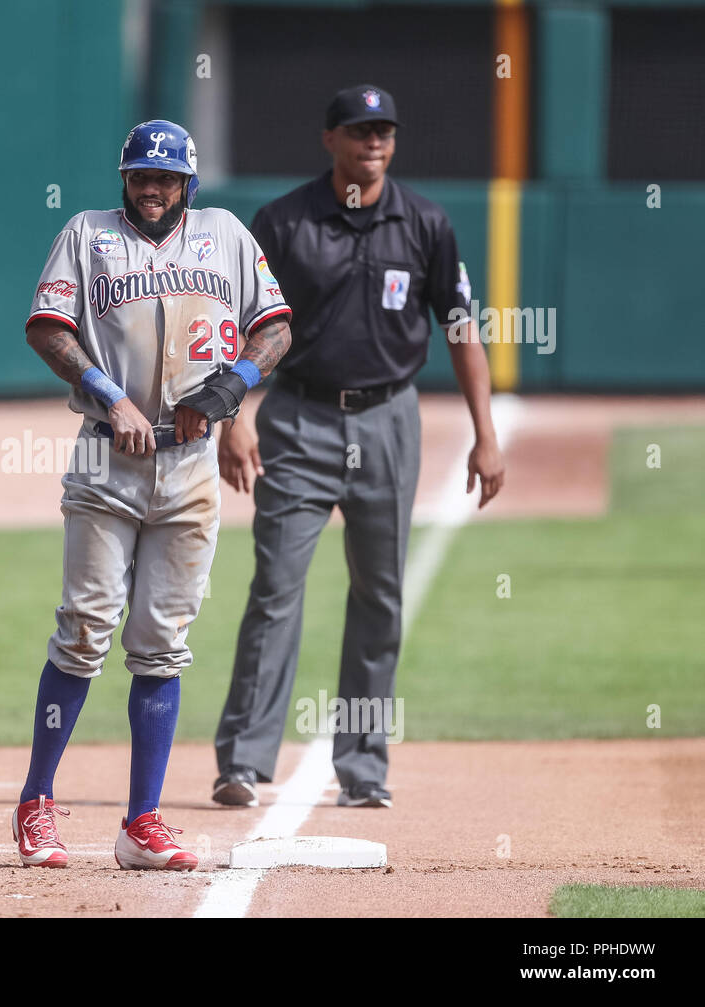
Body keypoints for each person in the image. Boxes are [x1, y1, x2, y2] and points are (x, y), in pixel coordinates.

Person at [211, 85, 505, 810]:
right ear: (330, 138)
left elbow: (461, 327)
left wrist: (485, 434)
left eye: (385, 131)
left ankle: (364, 764)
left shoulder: (426, 223)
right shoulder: (281, 221)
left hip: (388, 422)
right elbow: (240, 325)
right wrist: (233, 416)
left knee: (380, 595)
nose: (374, 141)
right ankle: (243, 761)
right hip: (298, 421)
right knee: (276, 589)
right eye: (359, 129)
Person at [14, 120, 293, 869]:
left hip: (192, 465)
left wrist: (232, 388)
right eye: (140, 175)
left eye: (165, 178)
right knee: (85, 627)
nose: (151, 187)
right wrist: (108, 393)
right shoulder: (88, 233)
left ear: (188, 185)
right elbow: (46, 327)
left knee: (164, 642)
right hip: (109, 462)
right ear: (124, 178)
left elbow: (273, 328)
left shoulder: (226, 234)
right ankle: (36, 802)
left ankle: (142, 821)